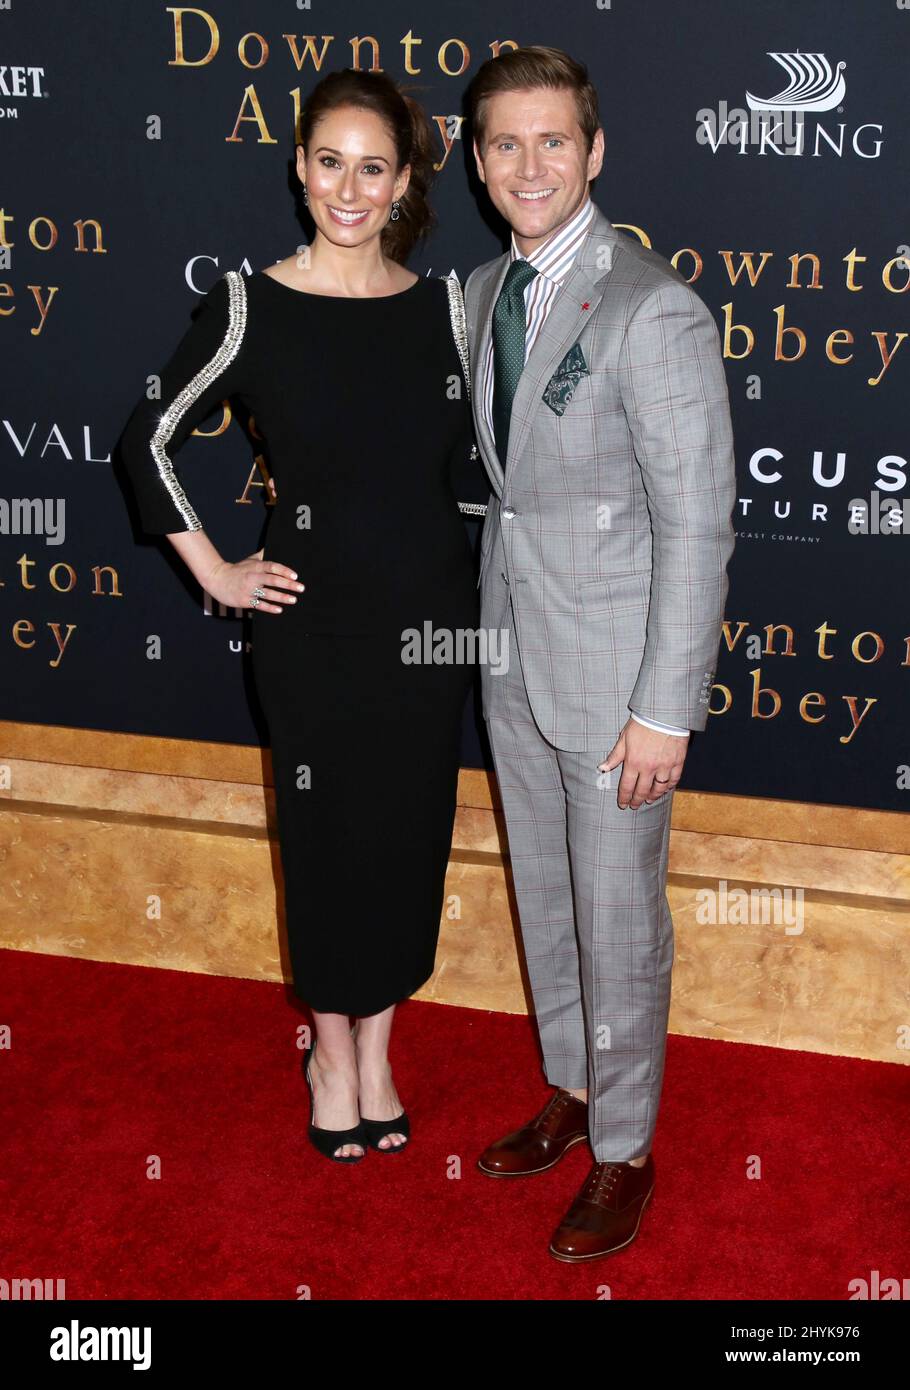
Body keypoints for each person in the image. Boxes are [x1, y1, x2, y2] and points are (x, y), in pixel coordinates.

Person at [119, 68, 487, 1163]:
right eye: (329, 161)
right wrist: (218, 573)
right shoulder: (249, 303)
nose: (349, 187)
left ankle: (379, 1048)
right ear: (298, 166)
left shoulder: (446, 308)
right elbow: (143, 440)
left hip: (431, 627)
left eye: (373, 167)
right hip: (311, 632)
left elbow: (473, 470)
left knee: (408, 840)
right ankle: (331, 1053)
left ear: (405, 179)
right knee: (328, 844)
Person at [464, 46, 736, 1259]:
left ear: (596, 151)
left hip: (619, 684)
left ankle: (624, 1150)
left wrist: (663, 710)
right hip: (512, 658)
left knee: (618, 916)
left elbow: (696, 520)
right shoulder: (480, 294)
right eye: (504, 144)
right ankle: (573, 1089)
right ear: (476, 162)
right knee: (548, 901)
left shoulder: (650, 306)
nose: (529, 164)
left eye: (552, 141)